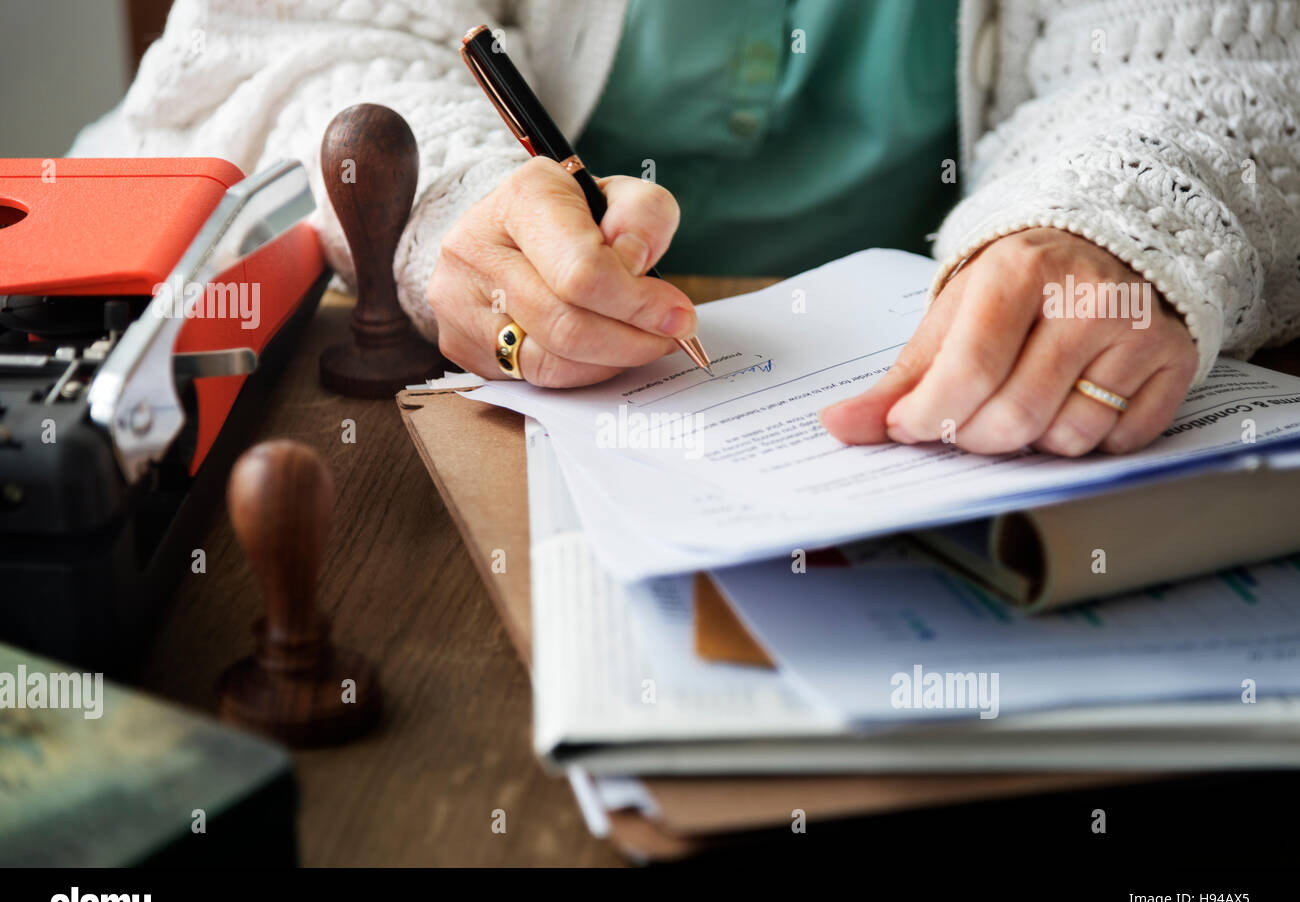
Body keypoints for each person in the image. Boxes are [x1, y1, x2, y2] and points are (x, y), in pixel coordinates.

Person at [74, 0, 1300, 457]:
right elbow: (290, 46)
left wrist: (1107, 224)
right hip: (490, 434)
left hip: (930, 358)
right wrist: (457, 210)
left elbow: (1210, 61)